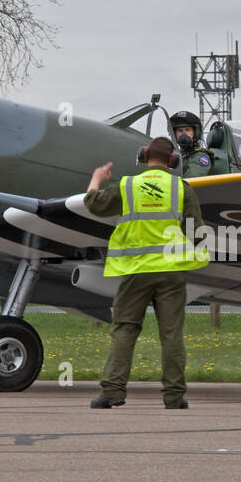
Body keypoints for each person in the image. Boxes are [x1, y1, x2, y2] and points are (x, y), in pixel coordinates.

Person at [83, 137, 208, 409]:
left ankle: (113, 391)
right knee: (171, 334)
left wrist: (96, 178)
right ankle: (174, 397)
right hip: (171, 273)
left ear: (144, 156)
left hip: (136, 271)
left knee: (125, 329)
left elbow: (93, 204)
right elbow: (197, 235)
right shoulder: (181, 188)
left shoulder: (127, 186)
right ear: (172, 161)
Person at [169, 110, 216, 178]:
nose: (184, 134)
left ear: (195, 133)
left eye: (187, 130)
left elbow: (190, 180)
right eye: (180, 130)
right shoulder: (176, 155)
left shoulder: (201, 157)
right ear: (174, 134)